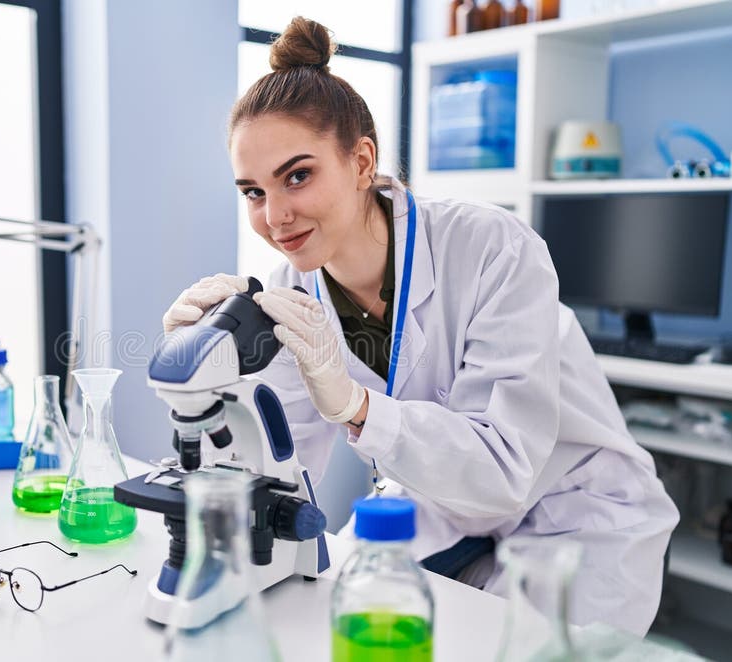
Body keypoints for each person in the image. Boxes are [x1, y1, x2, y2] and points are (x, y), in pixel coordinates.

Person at [161, 16, 678, 635]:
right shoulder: (291, 291)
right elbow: (284, 470)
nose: (275, 216)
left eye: (298, 176)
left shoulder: (491, 247)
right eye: (252, 191)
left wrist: (357, 407)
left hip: (577, 516)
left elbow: (505, 469)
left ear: (361, 161)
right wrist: (214, 386)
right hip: (436, 513)